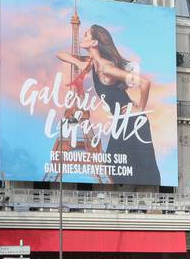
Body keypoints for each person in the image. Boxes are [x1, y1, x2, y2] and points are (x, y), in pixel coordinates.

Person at [58, 24, 161, 185]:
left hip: (133, 123)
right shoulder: (93, 62)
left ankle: (147, 208)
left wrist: (139, 108)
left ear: (94, 43)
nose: (82, 37)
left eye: (86, 35)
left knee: (137, 170)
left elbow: (144, 83)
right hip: (121, 122)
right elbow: (60, 54)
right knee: (117, 167)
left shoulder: (106, 68)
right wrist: (78, 64)